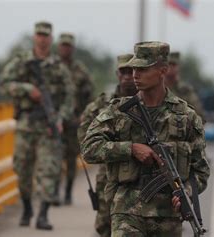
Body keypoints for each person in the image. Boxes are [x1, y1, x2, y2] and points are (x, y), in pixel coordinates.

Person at [81, 41, 210, 236]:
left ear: (162, 70)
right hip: (126, 211)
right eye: (134, 68)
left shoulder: (186, 117)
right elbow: (89, 148)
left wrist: (188, 192)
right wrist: (131, 149)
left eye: (143, 69)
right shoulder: (118, 111)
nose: (135, 74)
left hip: (168, 216)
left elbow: (200, 170)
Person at [0, 21, 74, 230]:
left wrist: (60, 118)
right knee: (22, 170)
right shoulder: (21, 61)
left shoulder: (58, 66)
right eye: (39, 35)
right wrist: (26, 89)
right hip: (26, 123)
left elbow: (69, 97)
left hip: (48, 127)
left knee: (49, 170)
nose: (42, 39)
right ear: (34, 37)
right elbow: (4, 84)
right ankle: (26, 207)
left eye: (46, 35)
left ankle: (43, 215)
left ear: (51, 39)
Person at [78, 53, 137, 237]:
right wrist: (119, 149)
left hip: (140, 173)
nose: (127, 76)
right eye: (123, 72)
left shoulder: (149, 102)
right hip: (109, 173)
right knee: (105, 223)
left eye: (131, 71)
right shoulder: (101, 105)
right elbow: (85, 140)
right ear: (117, 74)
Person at [55, 33, 94, 205]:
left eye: (68, 45)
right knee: (54, 158)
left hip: (73, 121)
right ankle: (54, 192)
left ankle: (68, 191)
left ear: (72, 48)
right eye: (63, 45)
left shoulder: (80, 70)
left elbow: (90, 95)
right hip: (54, 121)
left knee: (71, 159)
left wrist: (83, 116)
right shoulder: (52, 67)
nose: (65, 48)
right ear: (58, 47)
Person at [165, 51, 205, 119]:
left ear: (178, 67)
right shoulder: (157, 89)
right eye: (169, 64)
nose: (171, 67)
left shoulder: (185, 90)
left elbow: (199, 115)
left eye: (173, 64)